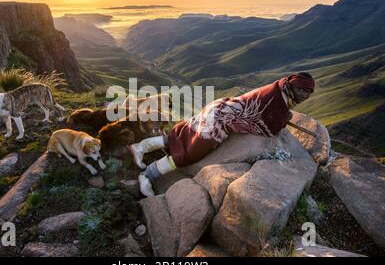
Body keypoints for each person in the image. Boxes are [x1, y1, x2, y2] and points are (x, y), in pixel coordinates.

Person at [129, 72, 316, 197]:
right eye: (302, 89)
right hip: (220, 119)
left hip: (220, 108)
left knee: (184, 135)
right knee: (191, 152)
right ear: (292, 87)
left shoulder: (279, 89)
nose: (306, 95)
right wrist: (284, 118)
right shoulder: (277, 100)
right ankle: (148, 175)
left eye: (309, 92)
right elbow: (270, 129)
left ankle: (141, 147)